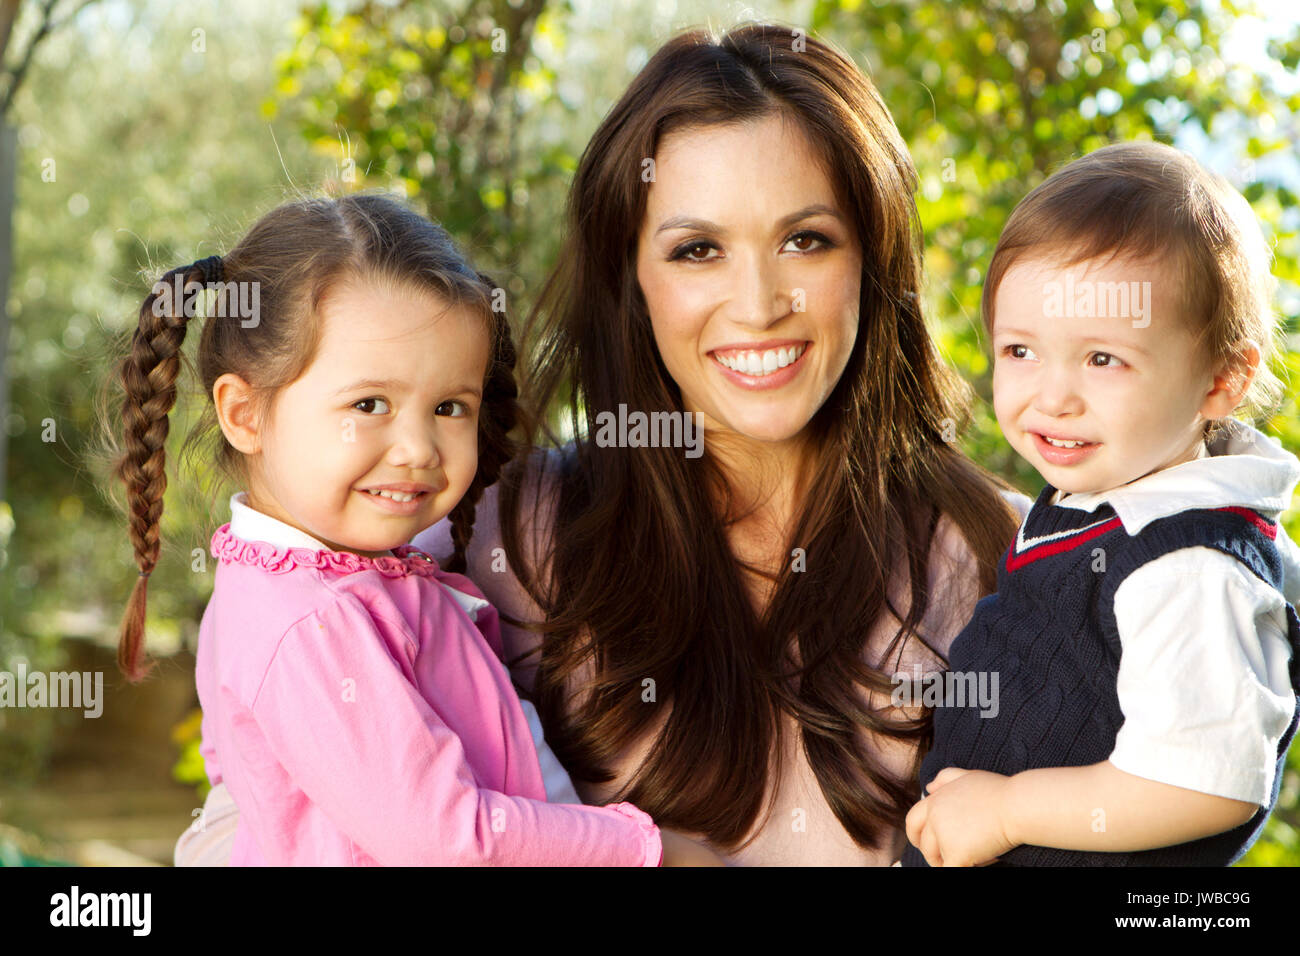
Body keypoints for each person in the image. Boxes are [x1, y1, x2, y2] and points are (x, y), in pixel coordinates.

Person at [177, 23, 1028, 866]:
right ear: (633, 284)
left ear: (872, 259)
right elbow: (255, 817)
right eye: (698, 250)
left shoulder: (1010, 554)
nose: (760, 301)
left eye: (806, 240)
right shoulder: (506, 536)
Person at [112, 193, 719, 865]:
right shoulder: (308, 621)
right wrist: (646, 848)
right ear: (246, 414)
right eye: (369, 403)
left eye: (449, 406)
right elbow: (443, 837)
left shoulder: (334, 578)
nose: (419, 447)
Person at [901, 142, 1300, 867]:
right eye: (1021, 351)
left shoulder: (1190, 567)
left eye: (1102, 358)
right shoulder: (1106, 506)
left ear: (1220, 380)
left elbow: (1208, 782)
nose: (1052, 395)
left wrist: (1006, 810)